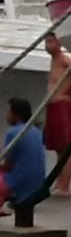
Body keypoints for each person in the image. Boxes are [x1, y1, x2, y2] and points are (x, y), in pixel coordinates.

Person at [41, 33, 71, 192]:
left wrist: (69, 85)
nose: (47, 44)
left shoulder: (63, 59)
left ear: (58, 42)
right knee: (58, 147)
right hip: (54, 106)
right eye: (46, 41)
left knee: (66, 147)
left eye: (51, 41)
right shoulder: (54, 61)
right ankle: (60, 182)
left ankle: (65, 186)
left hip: (62, 104)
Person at [3, 97, 47, 229]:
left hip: (20, 182)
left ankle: (7, 204)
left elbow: (8, 165)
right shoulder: (36, 131)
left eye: (8, 112)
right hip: (39, 181)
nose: (6, 116)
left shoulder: (13, 133)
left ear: (16, 115)